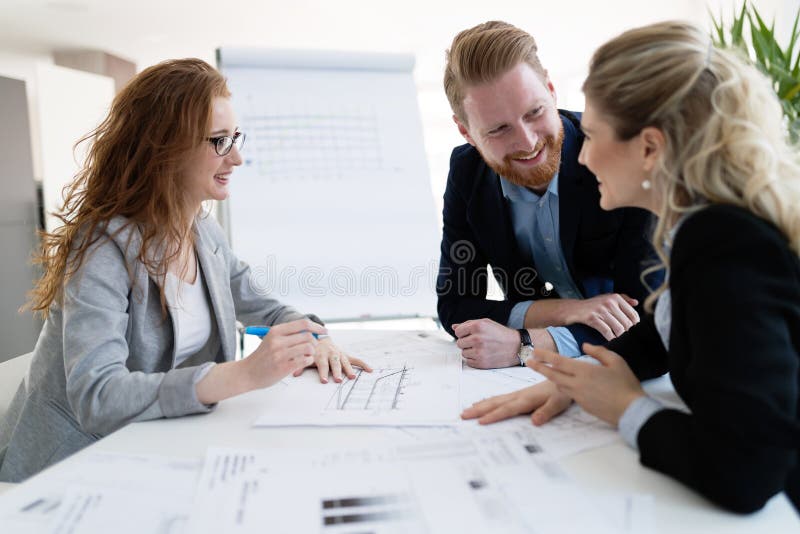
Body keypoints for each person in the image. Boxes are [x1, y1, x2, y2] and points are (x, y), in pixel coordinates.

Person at [462, 21, 800, 513]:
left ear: (649, 148)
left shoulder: (725, 247)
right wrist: (577, 379)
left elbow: (747, 472)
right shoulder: (701, 226)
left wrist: (623, 406)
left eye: (593, 135)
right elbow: (670, 331)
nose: (583, 155)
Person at [0, 59, 370, 482]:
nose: (237, 157)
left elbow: (267, 309)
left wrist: (312, 339)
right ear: (165, 148)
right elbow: (97, 395)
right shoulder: (103, 249)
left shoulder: (203, 233)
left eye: (235, 138)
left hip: (152, 449)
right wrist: (243, 375)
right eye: (218, 141)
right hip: (66, 472)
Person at [437, 21, 658, 369]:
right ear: (466, 131)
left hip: (636, 370)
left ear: (552, 91)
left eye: (534, 112)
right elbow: (455, 305)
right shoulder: (467, 173)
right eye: (498, 129)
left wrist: (528, 343)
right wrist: (569, 311)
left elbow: (648, 315)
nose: (526, 143)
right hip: (534, 381)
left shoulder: (621, 153)